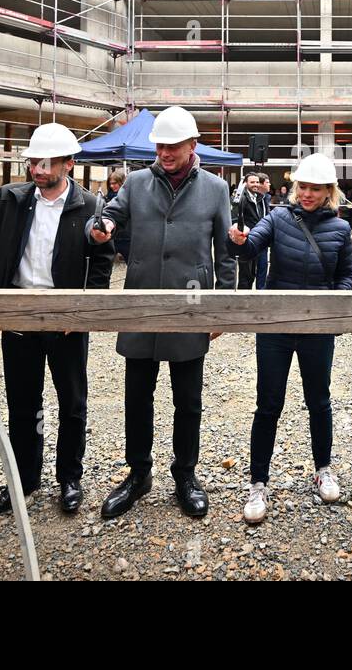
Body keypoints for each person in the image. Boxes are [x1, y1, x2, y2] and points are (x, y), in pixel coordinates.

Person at [0, 124, 114, 517]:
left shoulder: (88, 207)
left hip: (65, 316)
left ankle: (70, 478)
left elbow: (102, 262)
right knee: (22, 402)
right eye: (33, 161)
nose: (37, 169)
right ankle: (24, 479)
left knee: (72, 402)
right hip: (17, 313)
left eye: (46, 162)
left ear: (68, 163)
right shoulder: (11, 198)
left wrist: (82, 310)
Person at [90, 106, 237, 520]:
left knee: (188, 399)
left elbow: (225, 253)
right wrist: (100, 227)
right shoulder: (136, 183)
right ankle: (138, 474)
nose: (165, 152)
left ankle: (185, 475)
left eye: (173, 145)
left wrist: (221, 306)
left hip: (191, 305)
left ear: (192, 145)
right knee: (137, 397)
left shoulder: (215, 188)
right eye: (160, 145)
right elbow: (110, 216)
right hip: (141, 303)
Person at [227, 153, 352, 524]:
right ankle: (258, 482)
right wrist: (238, 240)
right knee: (268, 403)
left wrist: (335, 304)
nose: (309, 194)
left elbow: (346, 275)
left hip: (317, 328)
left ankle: (323, 468)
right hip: (276, 326)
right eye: (304, 187)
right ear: (296, 187)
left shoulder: (341, 230)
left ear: (329, 191)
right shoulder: (279, 217)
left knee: (319, 400)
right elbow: (250, 248)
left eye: (317, 188)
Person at [233, 171, 269, 290]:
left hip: (261, 241)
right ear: (245, 183)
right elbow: (234, 219)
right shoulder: (240, 199)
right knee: (246, 276)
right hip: (247, 242)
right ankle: (243, 304)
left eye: (257, 182)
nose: (255, 184)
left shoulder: (261, 198)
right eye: (252, 182)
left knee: (261, 271)